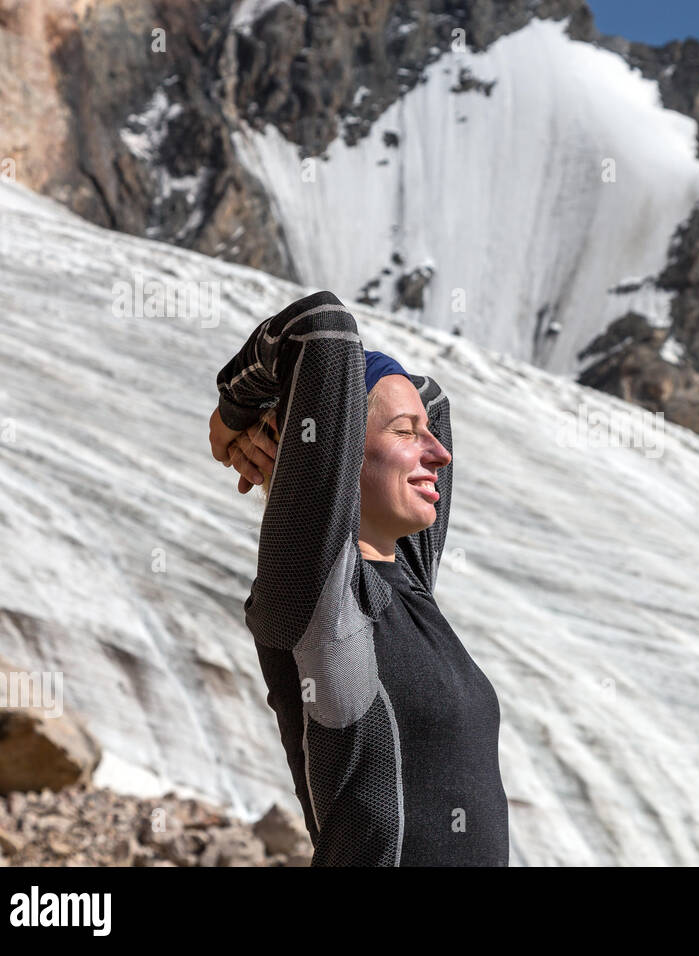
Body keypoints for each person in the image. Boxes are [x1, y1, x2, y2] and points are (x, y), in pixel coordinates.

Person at [207, 289, 509, 866]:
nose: (439, 452)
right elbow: (322, 329)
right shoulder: (316, 588)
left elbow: (432, 397)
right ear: (343, 449)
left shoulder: (408, 581)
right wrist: (233, 416)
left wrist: (385, 401)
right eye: (405, 432)